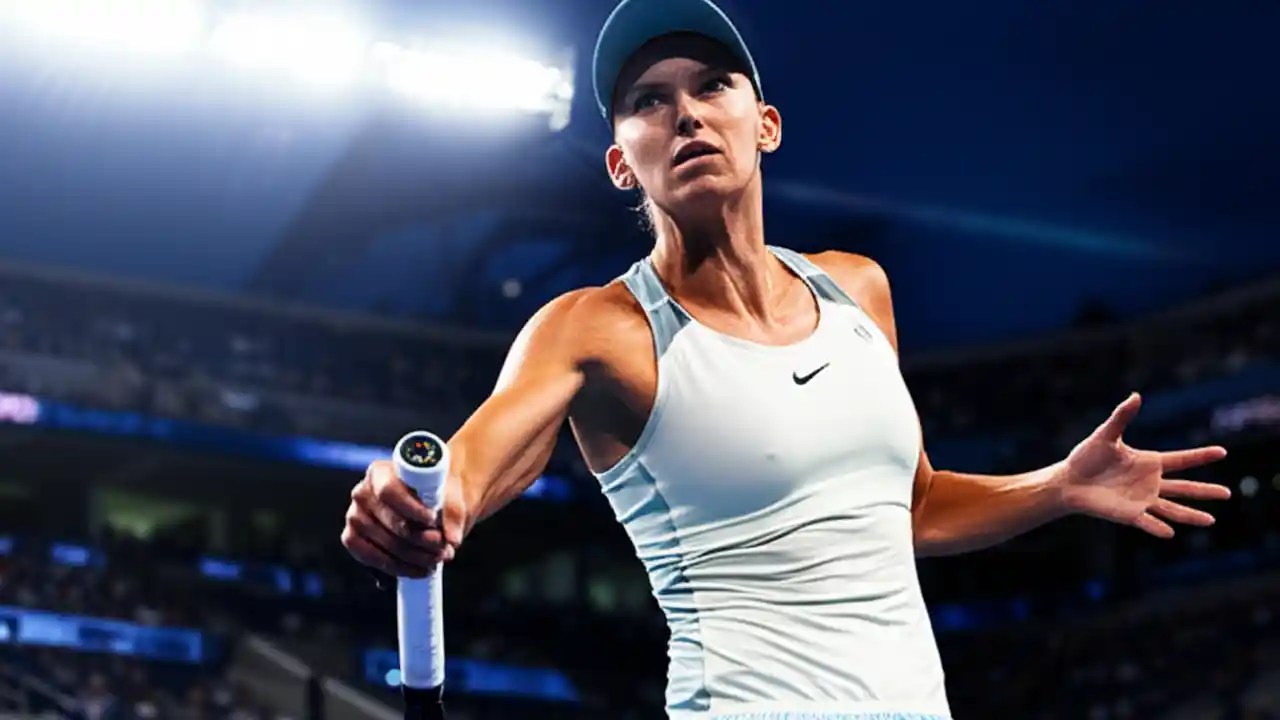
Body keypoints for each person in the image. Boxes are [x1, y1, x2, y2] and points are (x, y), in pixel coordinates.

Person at [340, 0, 1232, 717]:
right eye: (649, 100)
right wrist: (416, 502)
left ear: (763, 123)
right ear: (622, 163)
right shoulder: (595, 329)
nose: (685, 112)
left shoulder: (858, 291)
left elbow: (909, 507)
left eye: (711, 85)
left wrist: (1059, 487)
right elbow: (473, 468)